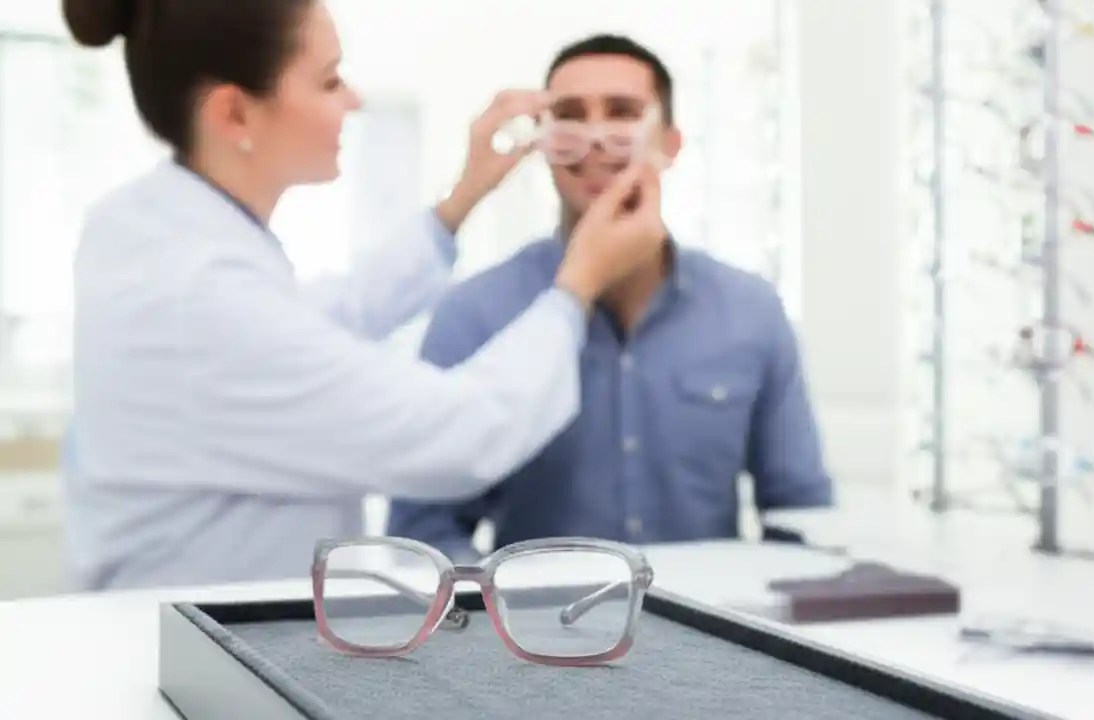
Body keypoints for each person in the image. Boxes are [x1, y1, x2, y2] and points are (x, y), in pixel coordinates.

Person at [59, 1, 666, 590]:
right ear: (235, 115)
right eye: (329, 81)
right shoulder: (198, 294)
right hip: (192, 624)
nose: (354, 100)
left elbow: (324, 316)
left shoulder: (160, 235)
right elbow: (460, 435)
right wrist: (577, 286)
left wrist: (461, 200)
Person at [387, 35, 831, 562]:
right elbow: (424, 529)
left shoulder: (751, 312)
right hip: (530, 617)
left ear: (671, 144)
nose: (595, 138)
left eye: (622, 112)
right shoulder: (475, 313)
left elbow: (802, 518)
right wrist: (497, 607)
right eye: (570, 116)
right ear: (542, 142)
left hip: (713, 613)